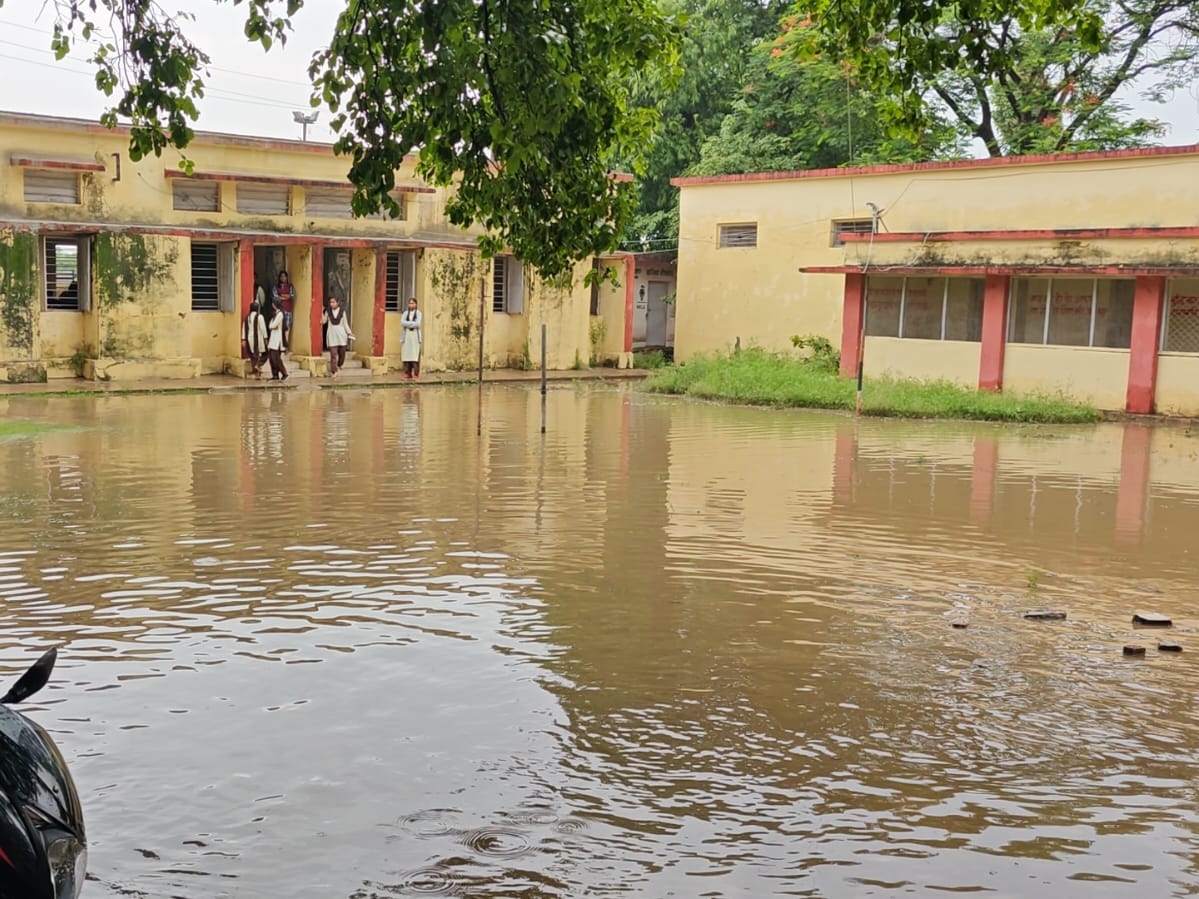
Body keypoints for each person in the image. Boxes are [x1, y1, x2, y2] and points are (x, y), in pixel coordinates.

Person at [322, 295, 354, 378]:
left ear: (337, 303)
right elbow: (324, 321)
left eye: (333, 302)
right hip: (332, 335)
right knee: (333, 354)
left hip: (341, 335)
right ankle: (334, 371)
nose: (332, 304)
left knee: (342, 353)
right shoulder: (328, 311)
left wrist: (349, 333)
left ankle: (340, 364)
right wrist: (321, 312)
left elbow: (345, 323)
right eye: (330, 302)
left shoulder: (342, 311)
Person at [242, 299, 268, 378]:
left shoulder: (247, 317)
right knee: (265, 354)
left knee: (253, 355)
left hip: (250, 339)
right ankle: (258, 366)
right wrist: (265, 337)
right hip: (258, 338)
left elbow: (243, 328)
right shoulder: (260, 317)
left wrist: (243, 339)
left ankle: (256, 372)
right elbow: (263, 328)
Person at [266, 297, 289, 381]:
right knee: (272, 359)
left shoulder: (280, 314)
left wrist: (271, 325)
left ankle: (284, 373)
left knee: (276, 359)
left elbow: (272, 325)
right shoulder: (275, 314)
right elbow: (270, 325)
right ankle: (275, 375)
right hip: (273, 339)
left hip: (278, 341)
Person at [400, 297, 422, 380]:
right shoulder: (405, 313)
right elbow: (402, 322)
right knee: (406, 355)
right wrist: (411, 323)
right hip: (407, 337)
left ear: (416, 304)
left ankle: (416, 374)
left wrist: (408, 324)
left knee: (414, 356)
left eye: (412, 303)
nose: (411, 304)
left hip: (415, 337)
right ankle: (407, 373)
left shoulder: (419, 313)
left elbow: (417, 324)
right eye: (410, 303)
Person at [272, 270, 295, 347]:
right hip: (279, 310)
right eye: (281, 276)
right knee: (279, 328)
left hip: (288, 310)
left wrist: (282, 296)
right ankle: (279, 346)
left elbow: (292, 296)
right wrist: (286, 296)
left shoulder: (290, 286)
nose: (283, 278)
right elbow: (276, 298)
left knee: (287, 328)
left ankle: (285, 346)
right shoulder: (276, 287)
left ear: (287, 277)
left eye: (284, 276)